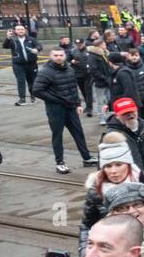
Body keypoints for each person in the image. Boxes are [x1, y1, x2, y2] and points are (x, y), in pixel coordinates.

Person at [32, 47, 97, 175]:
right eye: (56, 55)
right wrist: (56, 100)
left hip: (70, 107)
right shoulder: (46, 72)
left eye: (61, 55)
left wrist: (78, 103)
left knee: (78, 132)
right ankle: (60, 162)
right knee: (57, 135)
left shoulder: (69, 69)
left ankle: (86, 157)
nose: (59, 57)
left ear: (65, 56)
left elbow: (73, 87)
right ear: (51, 56)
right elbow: (37, 90)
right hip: (55, 109)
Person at [105, 97, 144, 176]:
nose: (130, 115)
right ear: (117, 116)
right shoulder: (112, 137)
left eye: (132, 111)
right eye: (125, 113)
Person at [111, 46, 144, 120]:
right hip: (132, 100)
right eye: (132, 55)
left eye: (136, 55)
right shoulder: (125, 70)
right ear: (128, 57)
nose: (134, 57)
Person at [3, 24, 41, 105]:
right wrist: (8, 38)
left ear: (25, 30)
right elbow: (5, 46)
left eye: (22, 29)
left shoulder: (31, 39)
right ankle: (22, 99)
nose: (20, 31)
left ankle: (33, 97)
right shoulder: (13, 40)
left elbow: (39, 45)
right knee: (21, 81)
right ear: (15, 31)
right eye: (18, 29)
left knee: (32, 81)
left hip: (32, 64)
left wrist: (36, 49)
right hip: (18, 65)